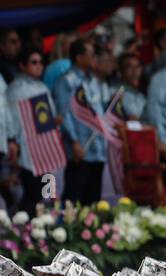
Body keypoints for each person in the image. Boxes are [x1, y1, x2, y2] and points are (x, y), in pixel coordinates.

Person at [53, 40, 104, 206]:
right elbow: (64, 113)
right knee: (73, 199)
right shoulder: (67, 80)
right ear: (79, 57)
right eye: (91, 54)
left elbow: (99, 111)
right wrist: (74, 141)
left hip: (97, 148)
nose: (95, 58)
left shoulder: (94, 81)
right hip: (80, 148)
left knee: (93, 200)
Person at [7, 48, 56, 214]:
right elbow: (13, 121)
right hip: (27, 151)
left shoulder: (42, 86)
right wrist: (14, 143)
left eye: (41, 62)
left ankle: (47, 228)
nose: (39, 66)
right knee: (32, 194)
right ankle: (24, 232)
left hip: (47, 149)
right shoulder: (15, 89)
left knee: (48, 193)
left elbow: (50, 114)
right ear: (22, 65)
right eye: (34, 62)